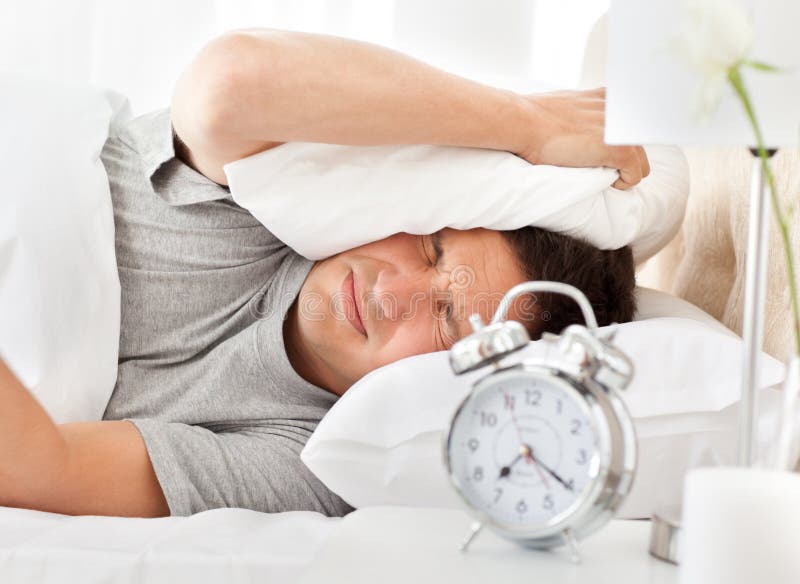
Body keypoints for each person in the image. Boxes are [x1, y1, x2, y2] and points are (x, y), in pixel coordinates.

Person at [0, 30, 644, 519]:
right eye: (431, 248)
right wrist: (529, 125)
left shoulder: (312, 456)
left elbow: (40, 469)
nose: (389, 293)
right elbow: (230, 82)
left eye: (447, 322)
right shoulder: (289, 200)